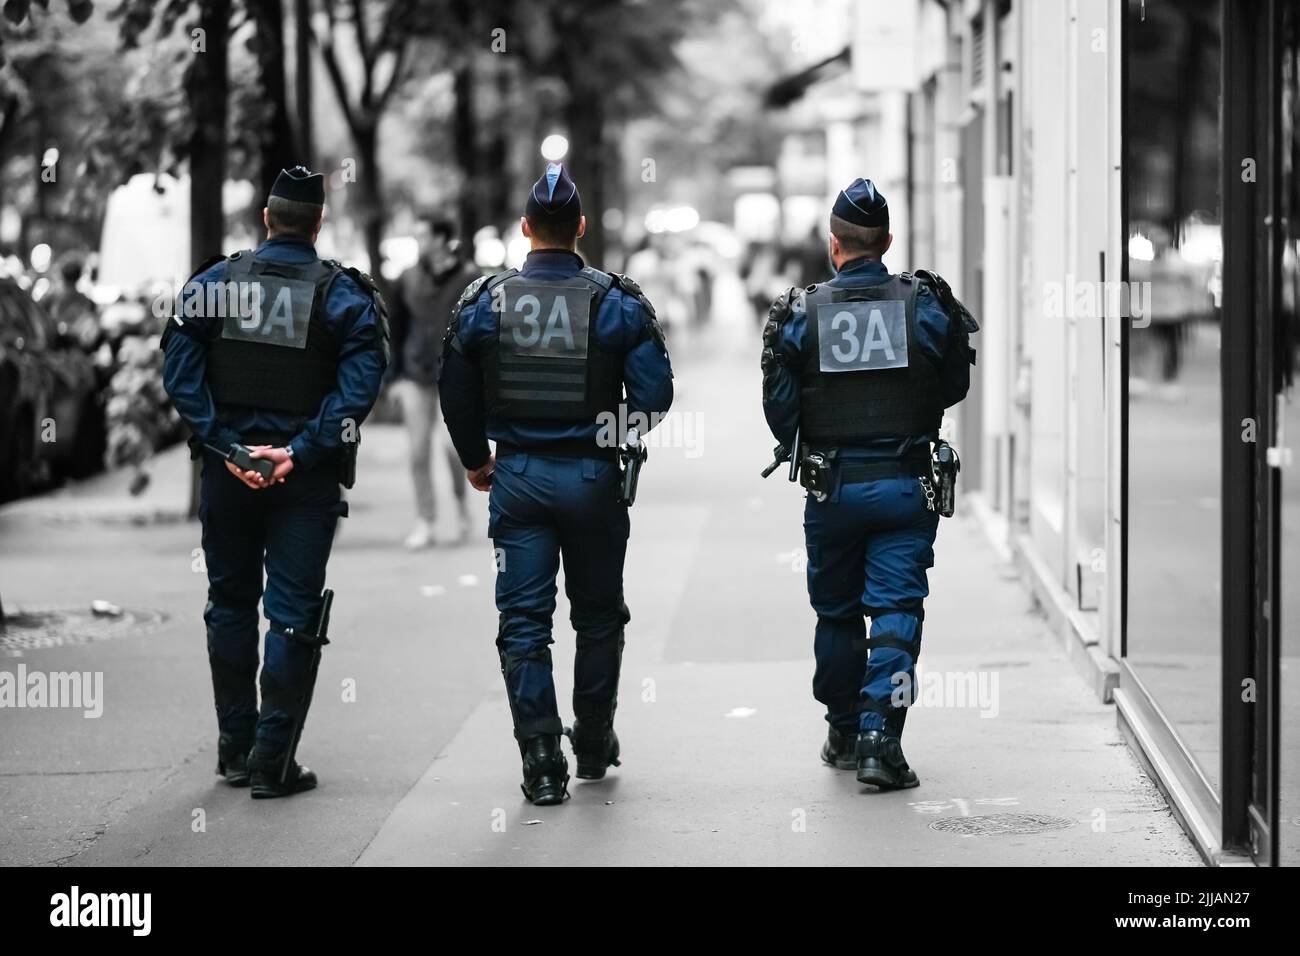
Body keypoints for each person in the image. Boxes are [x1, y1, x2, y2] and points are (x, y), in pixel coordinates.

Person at [439, 163, 674, 806]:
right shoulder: (615, 301)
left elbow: (454, 389)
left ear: (524, 230)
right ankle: (593, 741)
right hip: (594, 481)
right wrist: (607, 430)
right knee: (598, 615)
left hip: (516, 481)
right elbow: (655, 397)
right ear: (580, 227)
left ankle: (541, 761)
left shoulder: (485, 303)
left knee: (524, 620)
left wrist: (475, 460)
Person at [161, 165, 388, 798]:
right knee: (292, 614)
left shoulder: (213, 284)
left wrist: (227, 446)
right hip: (304, 481)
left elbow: (181, 377)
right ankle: (272, 759)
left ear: (266, 218)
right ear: (318, 224)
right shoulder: (344, 296)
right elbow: (357, 389)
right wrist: (300, 450)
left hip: (228, 478)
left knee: (229, 605)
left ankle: (235, 750)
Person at [761, 178, 977, 790]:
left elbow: (781, 414)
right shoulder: (926, 305)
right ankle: (883, 738)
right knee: (897, 609)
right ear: (886, 242)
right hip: (907, 485)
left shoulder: (802, 313)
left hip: (832, 490)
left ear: (835, 246)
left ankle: (843, 728)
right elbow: (954, 385)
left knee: (836, 612)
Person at [386, 215, 480, 548]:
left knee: (453, 449)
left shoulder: (471, 278)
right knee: (417, 451)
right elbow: (394, 331)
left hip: (454, 377)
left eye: (423, 235)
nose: (418, 241)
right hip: (414, 375)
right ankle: (425, 520)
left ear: (442, 239)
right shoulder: (407, 279)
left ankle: (460, 504)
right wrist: (393, 378)